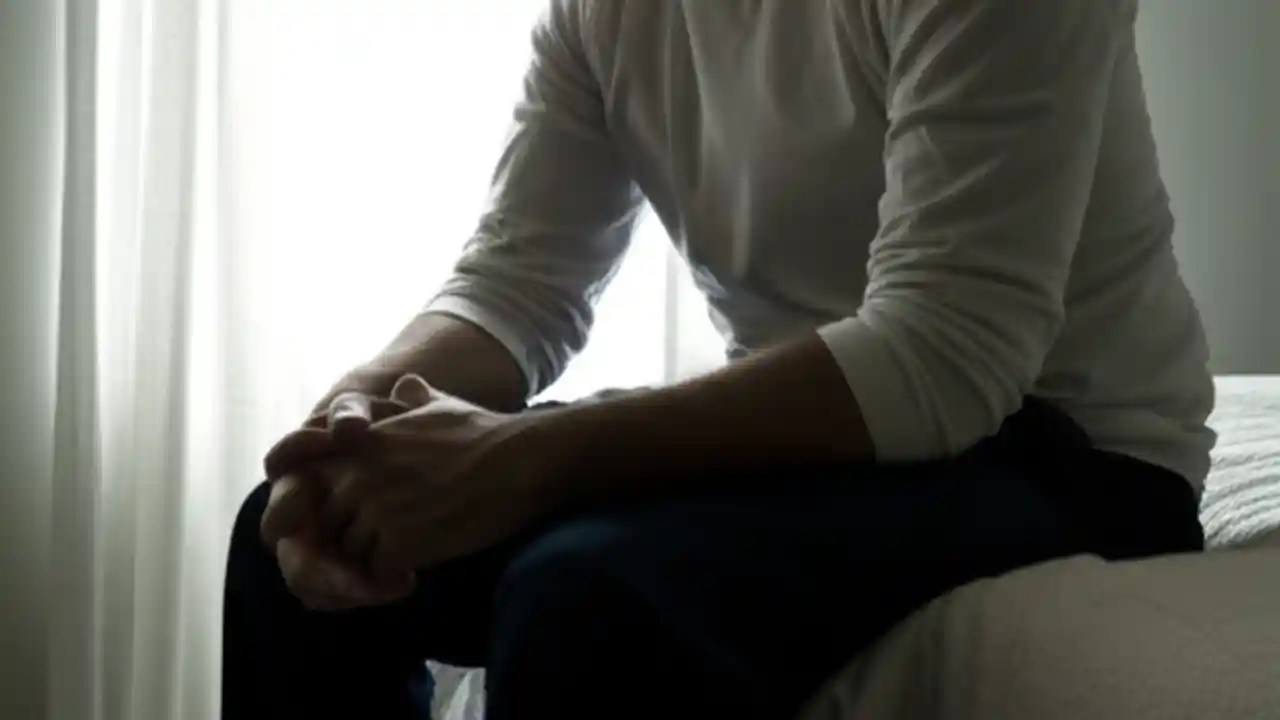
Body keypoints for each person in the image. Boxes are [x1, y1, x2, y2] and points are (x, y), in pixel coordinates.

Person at [222, 1, 1213, 718]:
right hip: (830, 433)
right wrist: (346, 428)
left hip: (1071, 452)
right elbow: (515, 285)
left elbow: (948, 354)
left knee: (589, 598)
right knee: (298, 527)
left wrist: (524, 457)